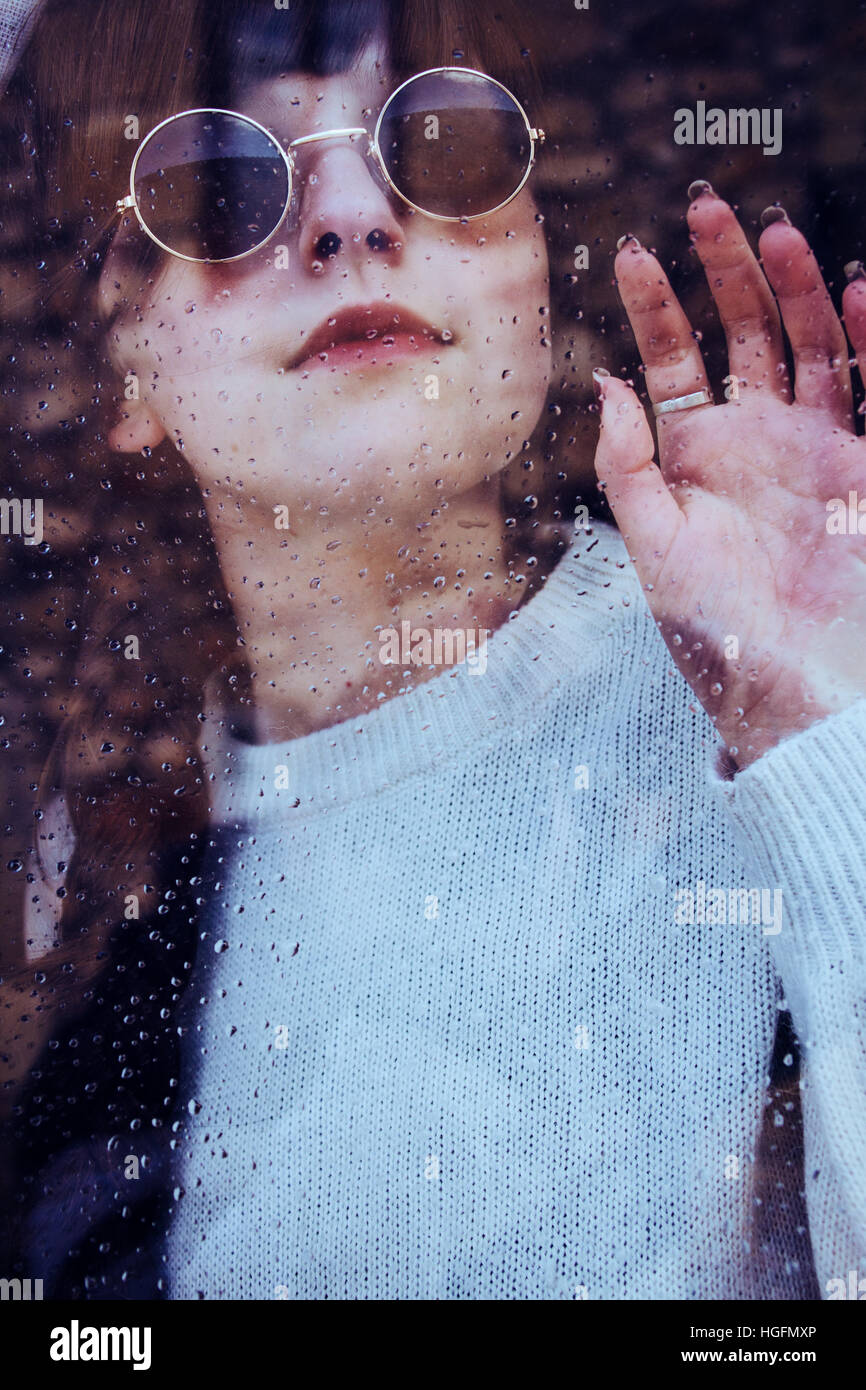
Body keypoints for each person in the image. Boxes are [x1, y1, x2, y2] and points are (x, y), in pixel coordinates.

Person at [4, 0, 866, 1299]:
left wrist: (823, 738)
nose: (350, 219)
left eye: (448, 147)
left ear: (536, 273)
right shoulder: (113, 959)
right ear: (123, 355)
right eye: (223, 184)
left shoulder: (775, 682)